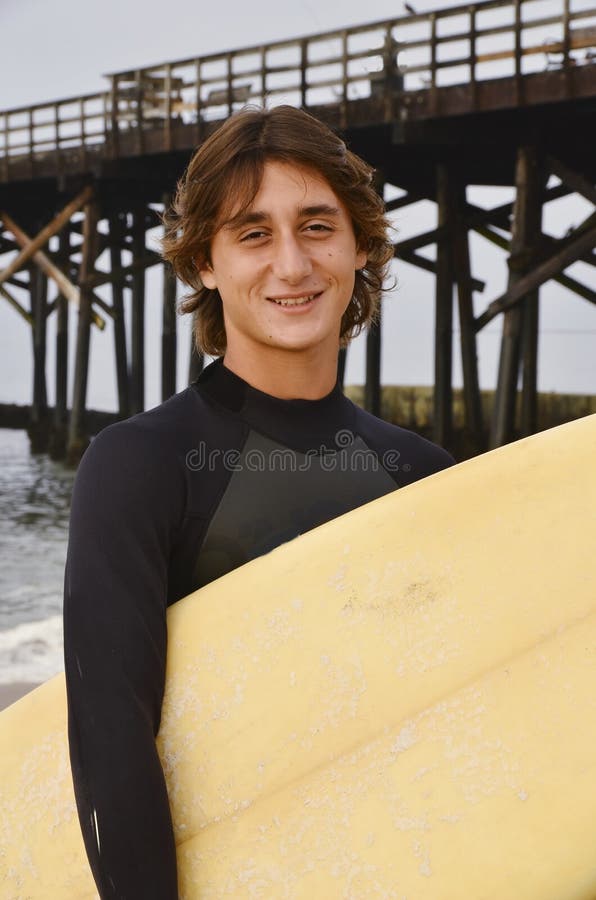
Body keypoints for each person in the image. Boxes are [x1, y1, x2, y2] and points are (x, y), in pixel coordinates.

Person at [64, 104, 454, 899]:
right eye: (252, 233)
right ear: (204, 262)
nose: (291, 264)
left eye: (317, 226)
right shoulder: (138, 464)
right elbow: (110, 739)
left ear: (360, 248)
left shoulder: (424, 473)